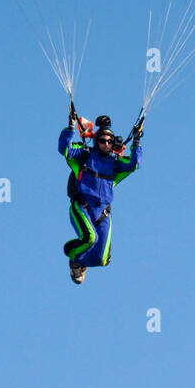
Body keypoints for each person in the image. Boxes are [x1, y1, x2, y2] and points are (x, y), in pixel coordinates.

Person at [59, 109, 142, 283]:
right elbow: (64, 149)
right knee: (90, 238)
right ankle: (74, 259)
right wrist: (70, 126)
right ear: (96, 141)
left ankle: (82, 262)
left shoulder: (115, 164)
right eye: (102, 140)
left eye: (110, 141)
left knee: (103, 260)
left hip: (102, 214)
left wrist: (136, 140)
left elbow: (134, 164)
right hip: (82, 207)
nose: (106, 144)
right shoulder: (84, 155)